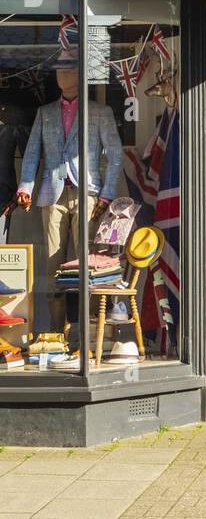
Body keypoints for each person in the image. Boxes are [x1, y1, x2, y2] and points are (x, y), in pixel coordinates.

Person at [16, 50, 123, 331]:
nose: (60, 74)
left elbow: (115, 154)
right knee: (52, 265)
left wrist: (106, 194)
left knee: (84, 267)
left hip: (87, 195)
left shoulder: (100, 112)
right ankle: (54, 334)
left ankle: (82, 334)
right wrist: (25, 187)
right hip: (53, 194)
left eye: (67, 68)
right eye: (58, 69)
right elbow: (31, 153)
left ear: (80, 74)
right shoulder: (45, 112)